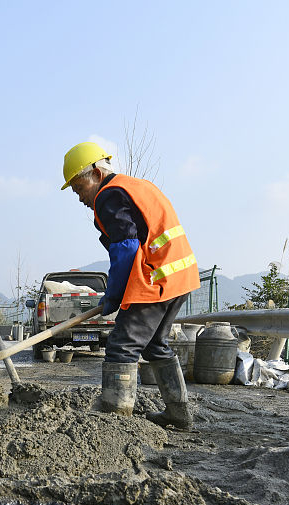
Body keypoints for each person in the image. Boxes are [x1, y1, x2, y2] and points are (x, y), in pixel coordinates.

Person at [61, 142, 200, 429]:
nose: (80, 198)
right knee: (154, 345)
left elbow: (126, 247)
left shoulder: (109, 195)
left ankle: (115, 419)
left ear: (98, 174)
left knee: (121, 347)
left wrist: (113, 294)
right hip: (180, 276)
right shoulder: (136, 186)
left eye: (79, 188)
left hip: (156, 279)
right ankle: (179, 412)